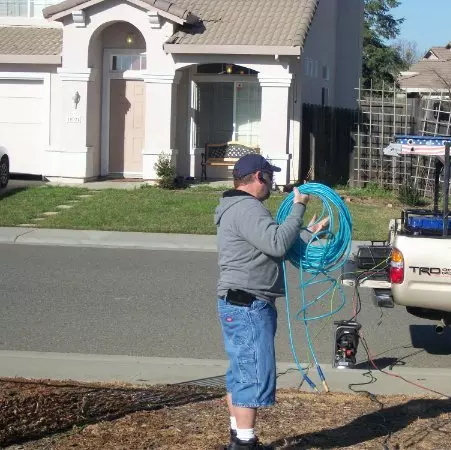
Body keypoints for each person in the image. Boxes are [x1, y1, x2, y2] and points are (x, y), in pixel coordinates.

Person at [214, 154, 328, 449]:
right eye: (270, 176)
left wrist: (305, 233)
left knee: (241, 372)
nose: (273, 182)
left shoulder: (238, 208)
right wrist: (298, 208)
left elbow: (270, 244)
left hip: (241, 302)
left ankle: (238, 438)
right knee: (251, 374)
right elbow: (276, 243)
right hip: (248, 303)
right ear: (258, 177)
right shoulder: (248, 208)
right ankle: (245, 443)